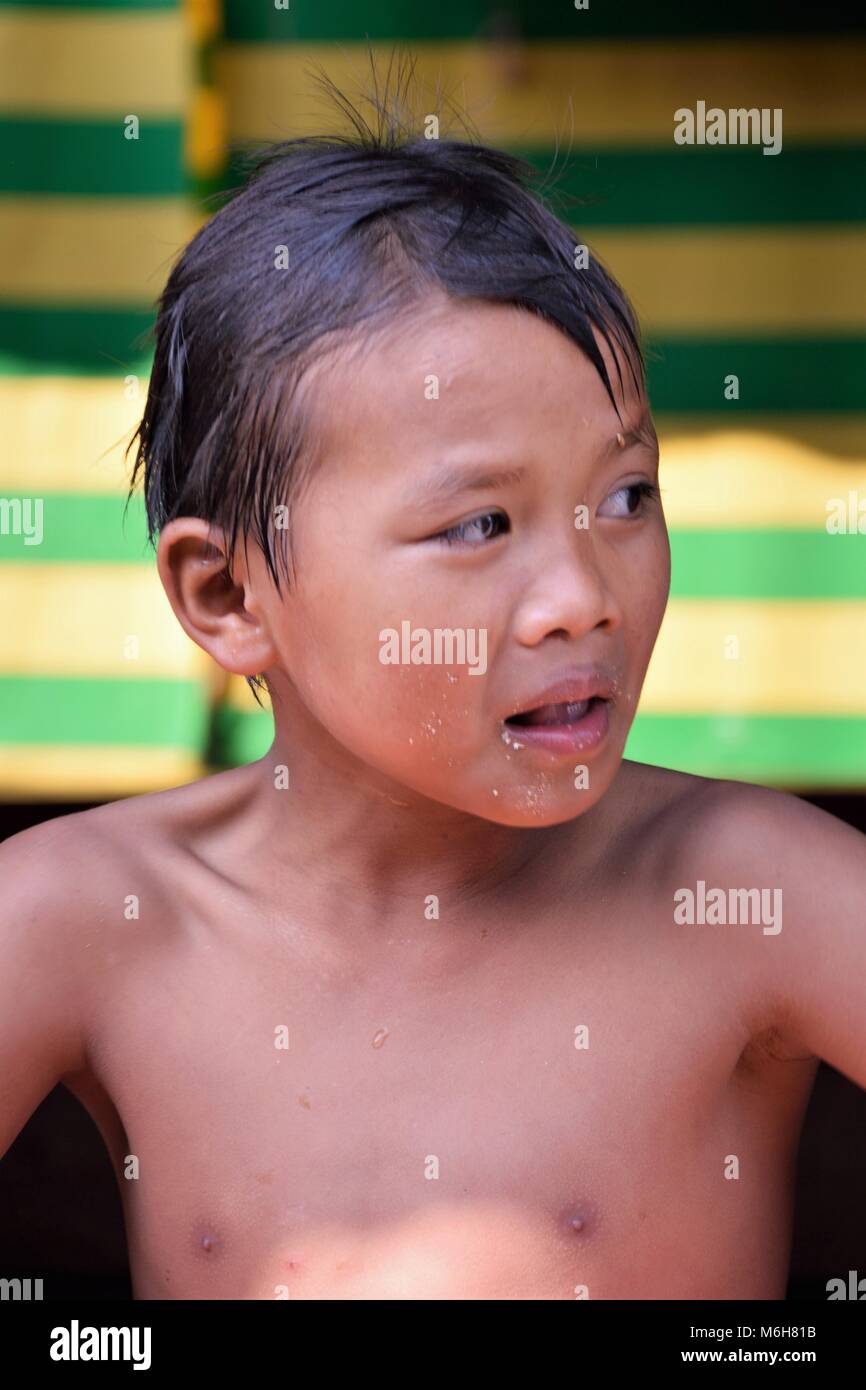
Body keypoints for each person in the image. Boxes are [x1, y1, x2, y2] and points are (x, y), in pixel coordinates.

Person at [2, 72, 865, 1301]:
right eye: (478, 523)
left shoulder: (744, 890)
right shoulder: (86, 918)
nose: (584, 592)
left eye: (625, 497)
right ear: (227, 597)